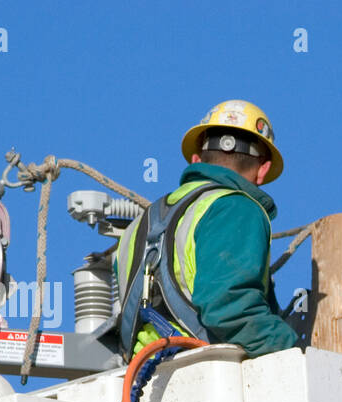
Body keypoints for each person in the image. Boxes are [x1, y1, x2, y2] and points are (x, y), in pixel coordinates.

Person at [114, 99, 299, 358]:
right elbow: (230, 309)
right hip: (206, 372)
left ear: (196, 159)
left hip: (145, 377)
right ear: (263, 170)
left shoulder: (137, 227)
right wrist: (293, 349)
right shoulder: (236, 209)